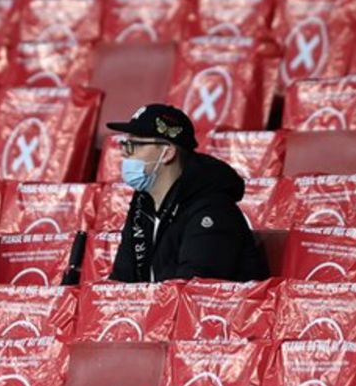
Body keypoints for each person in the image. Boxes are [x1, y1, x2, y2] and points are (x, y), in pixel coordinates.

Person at [106, 103, 269, 283]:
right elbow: (121, 280)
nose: (125, 153)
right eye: (124, 144)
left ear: (167, 153)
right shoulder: (143, 204)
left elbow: (193, 289)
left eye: (134, 145)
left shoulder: (213, 210)